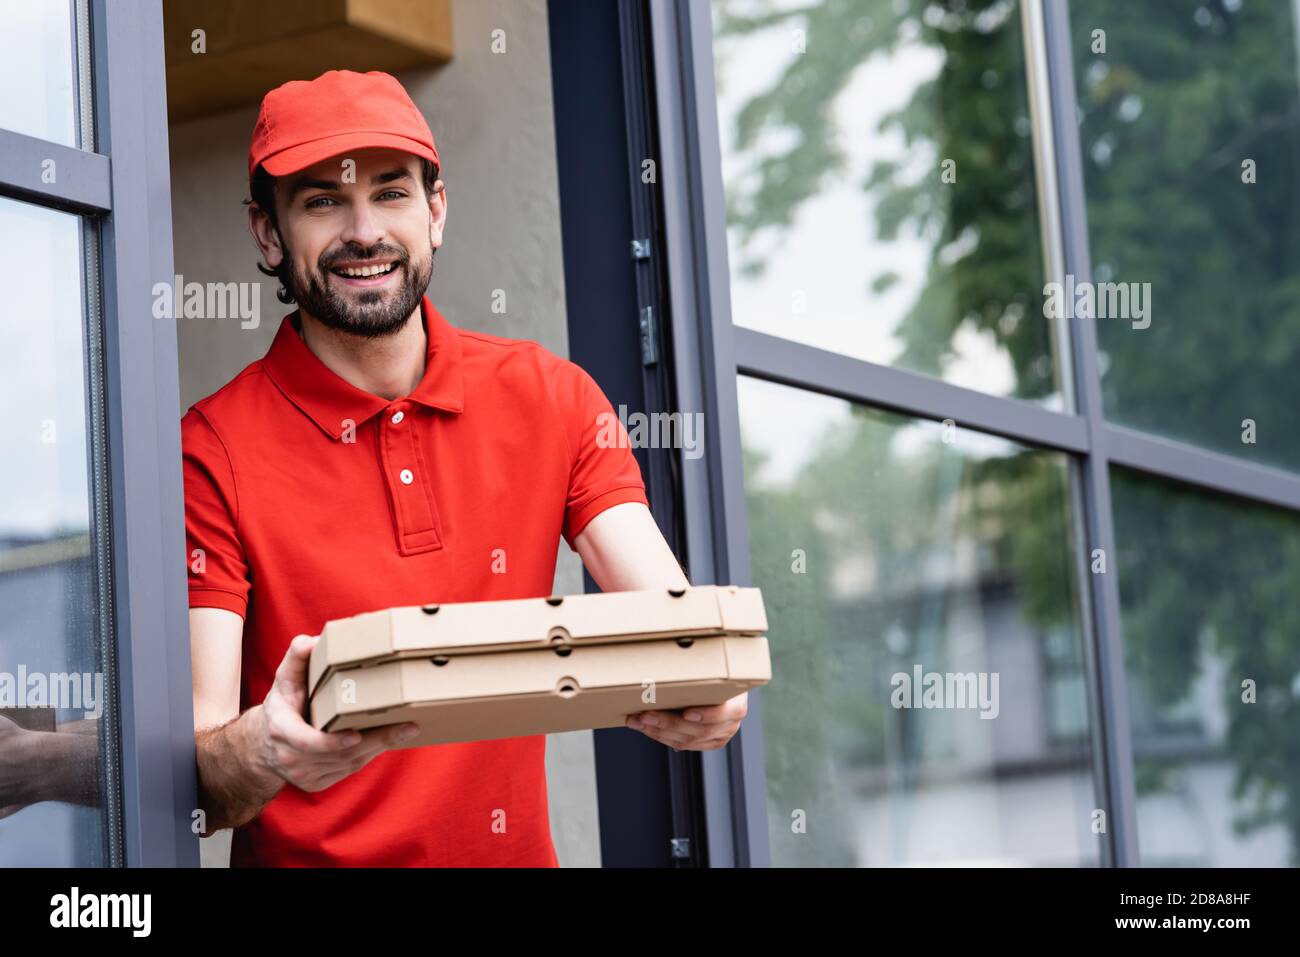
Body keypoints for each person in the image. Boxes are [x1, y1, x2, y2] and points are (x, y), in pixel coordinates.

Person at [185, 69, 748, 867]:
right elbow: (196, 773)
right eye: (321, 202)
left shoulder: (552, 397)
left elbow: (671, 622)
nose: (363, 230)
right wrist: (264, 748)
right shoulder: (210, 448)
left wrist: (706, 688)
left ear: (436, 211)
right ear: (268, 234)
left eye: (391, 193)